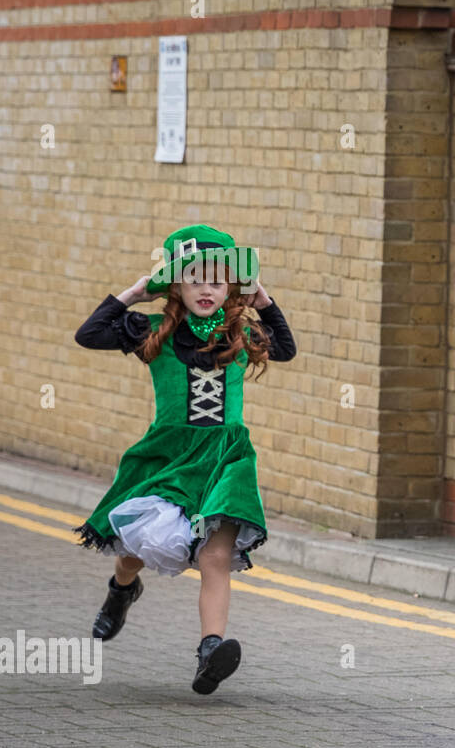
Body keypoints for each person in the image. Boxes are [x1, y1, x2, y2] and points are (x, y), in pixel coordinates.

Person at [73, 224, 297, 694]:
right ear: (175, 286)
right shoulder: (151, 330)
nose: (206, 288)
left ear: (231, 287)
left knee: (215, 555)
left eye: (218, 280)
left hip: (225, 460)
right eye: (194, 279)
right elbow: (88, 334)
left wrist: (263, 299)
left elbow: (288, 348)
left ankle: (210, 650)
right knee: (138, 546)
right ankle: (122, 590)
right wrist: (136, 291)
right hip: (170, 457)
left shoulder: (242, 332)